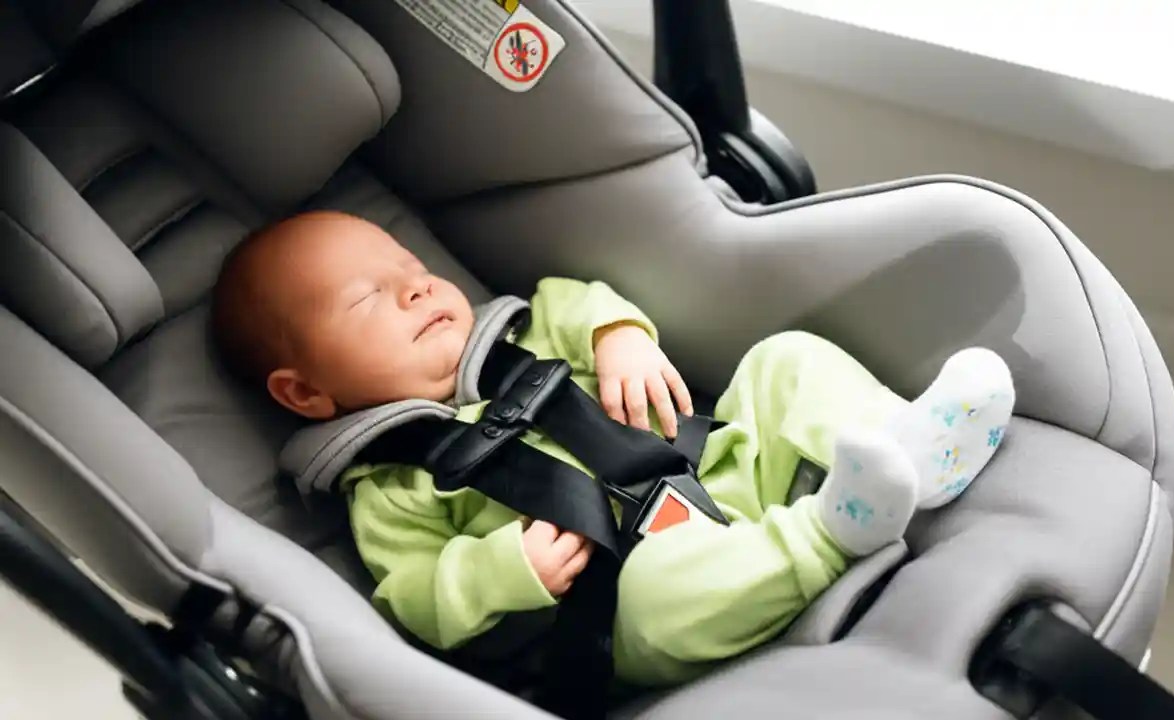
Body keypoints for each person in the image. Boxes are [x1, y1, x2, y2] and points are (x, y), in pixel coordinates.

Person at [211, 210, 1015, 686]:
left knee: (784, 362)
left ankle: (907, 449)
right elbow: (413, 596)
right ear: (305, 394)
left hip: (721, 468)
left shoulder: (528, 328)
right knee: (668, 592)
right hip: (633, 591)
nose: (416, 287)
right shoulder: (386, 488)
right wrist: (500, 569)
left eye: (411, 267)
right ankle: (834, 532)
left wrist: (622, 336)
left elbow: (588, 303)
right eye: (367, 298)